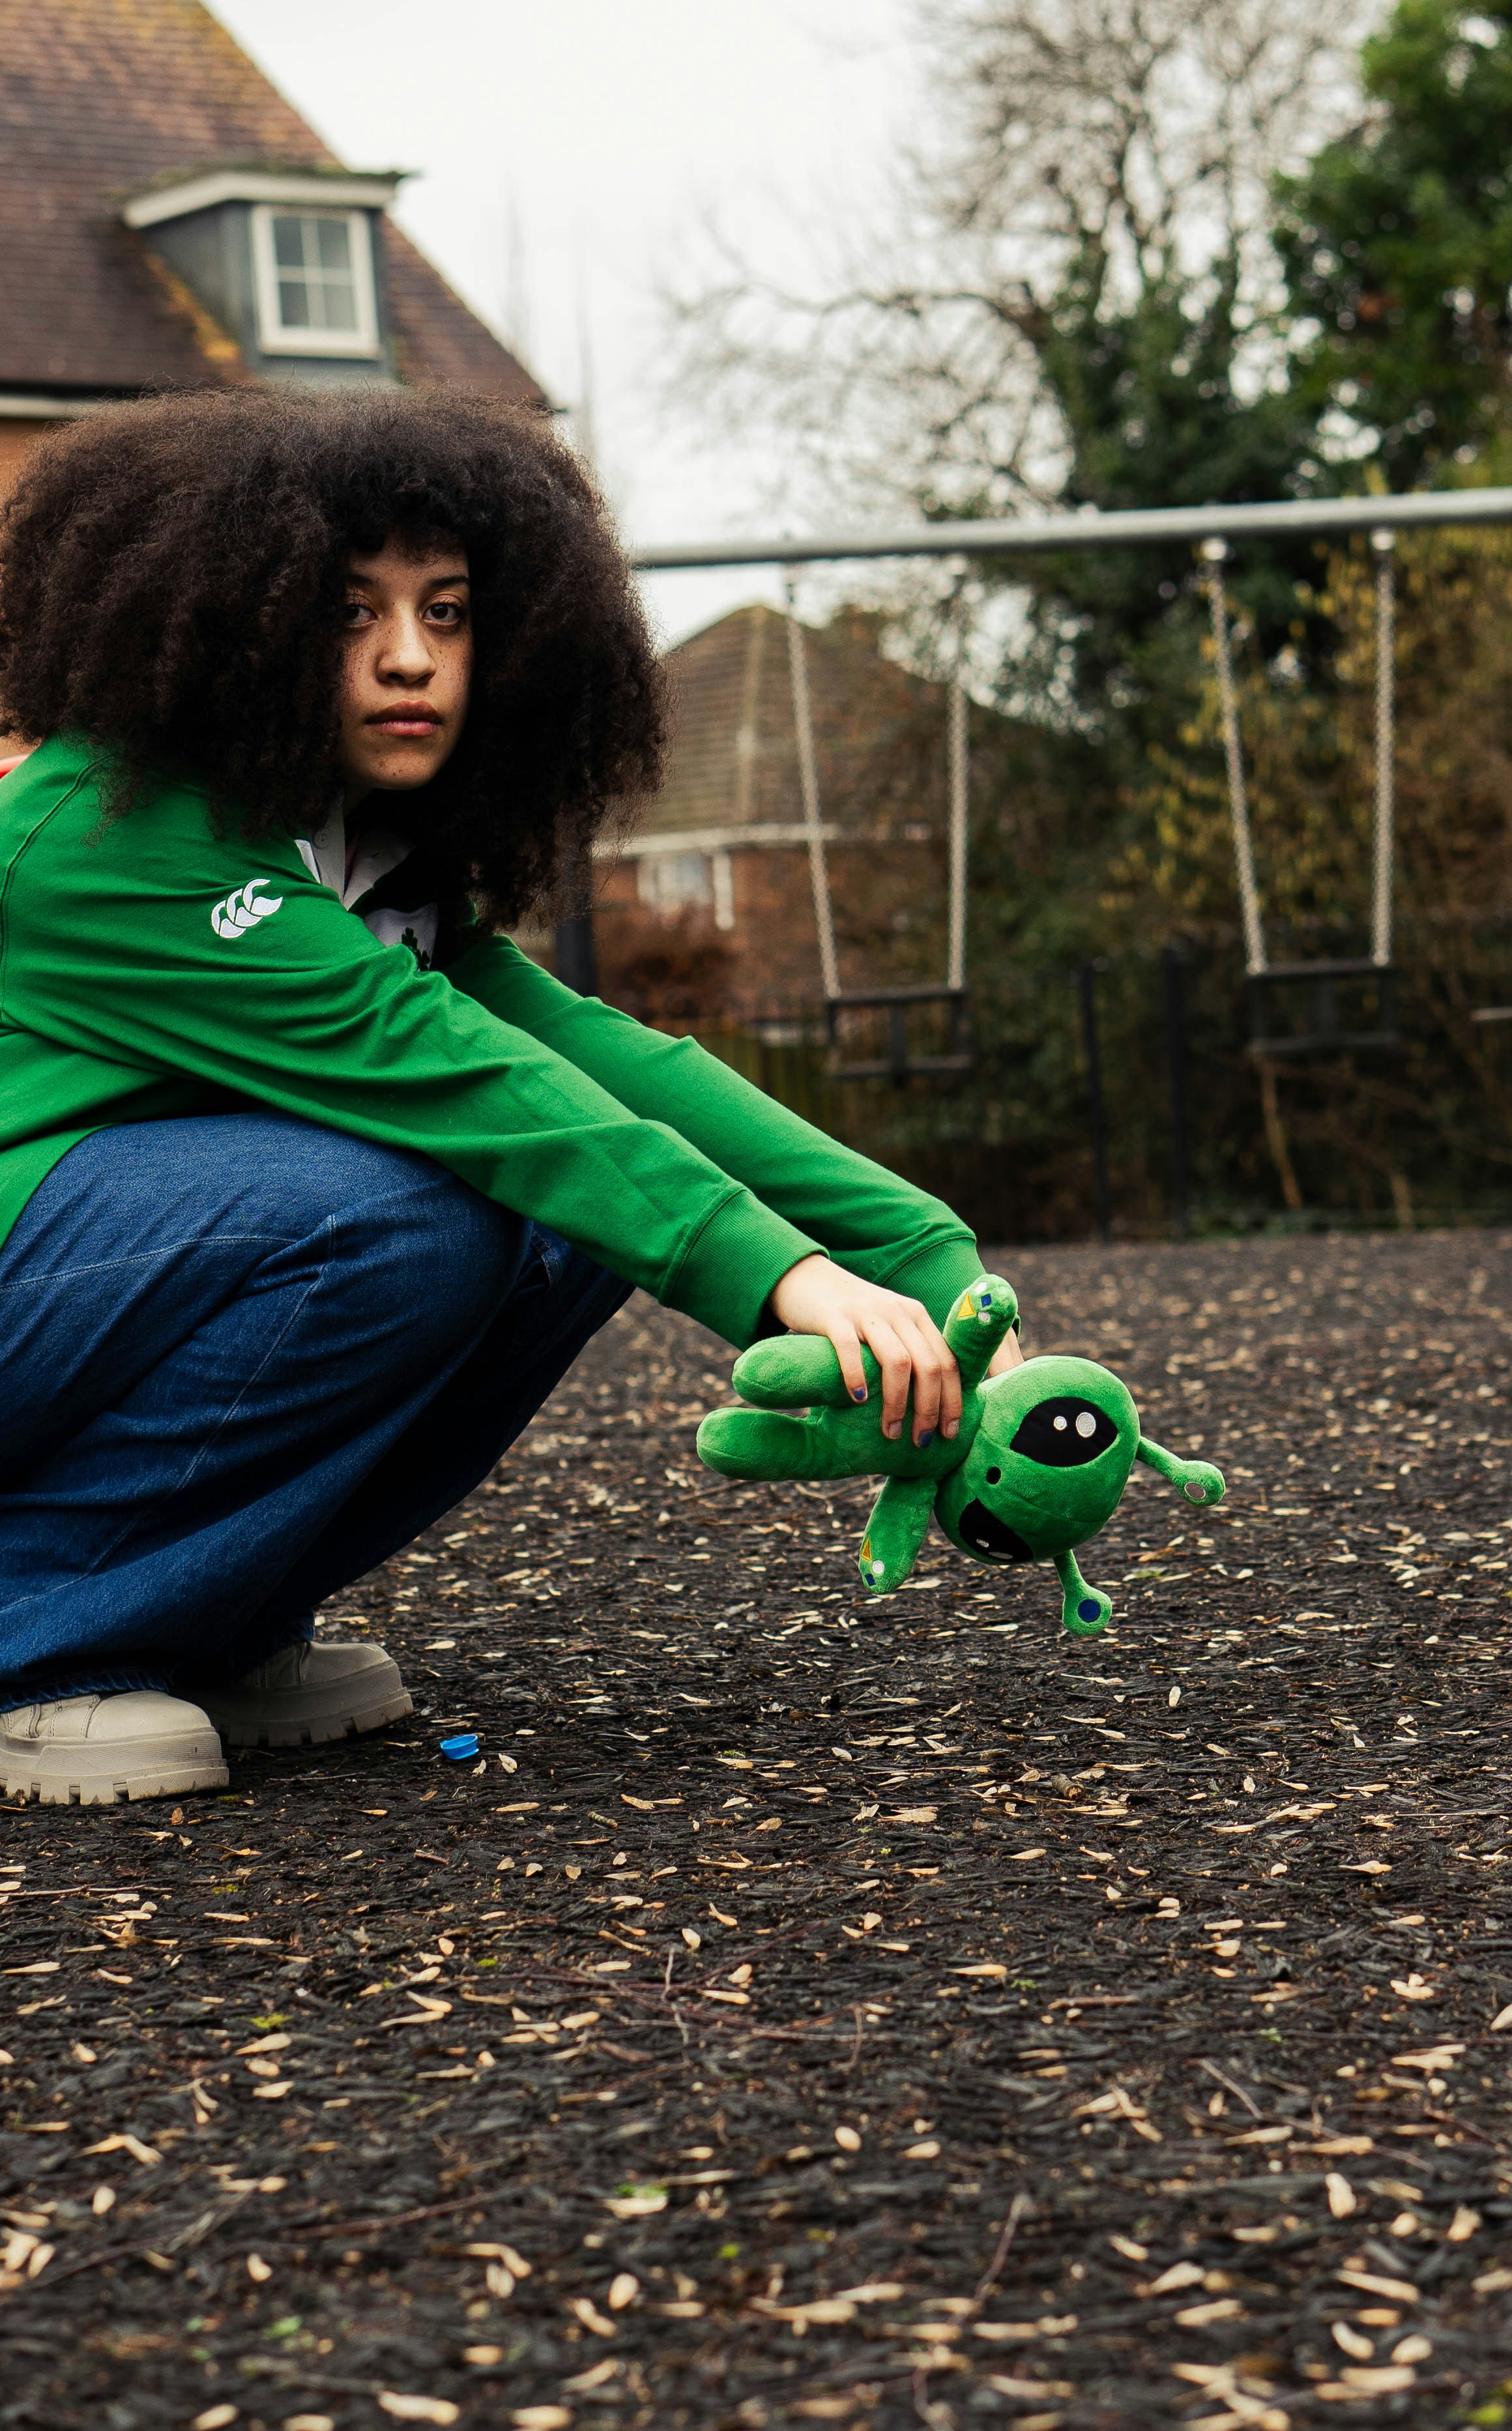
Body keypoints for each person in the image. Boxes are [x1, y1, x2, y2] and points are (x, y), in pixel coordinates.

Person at [0, 390, 1017, 1807]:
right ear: (242, 619)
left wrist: (930, 1267)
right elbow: (451, 1074)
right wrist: (777, 1276)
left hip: (63, 1292)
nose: (409, 657)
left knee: (561, 1222)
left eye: (449, 610)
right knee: (403, 1215)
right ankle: (37, 1635)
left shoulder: (355, 843)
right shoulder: (118, 833)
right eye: (348, 613)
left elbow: (595, 1062)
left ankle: (205, 1623)